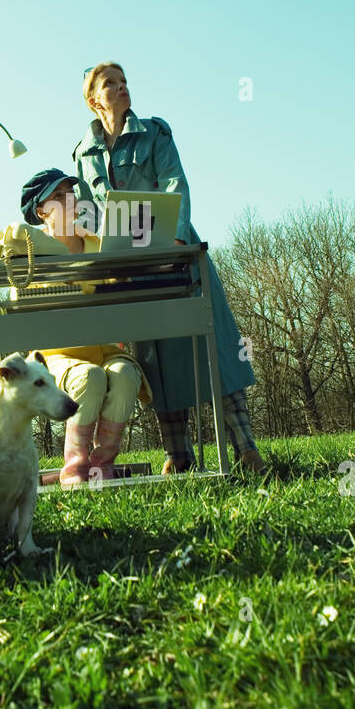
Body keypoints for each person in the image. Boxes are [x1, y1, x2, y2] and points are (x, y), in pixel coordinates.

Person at [71, 61, 265, 475]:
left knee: (212, 345)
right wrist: (101, 260)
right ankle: (178, 455)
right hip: (128, 266)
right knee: (154, 356)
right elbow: (87, 213)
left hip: (176, 252)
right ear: (93, 100)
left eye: (124, 81)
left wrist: (175, 237)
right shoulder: (82, 154)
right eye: (111, 84)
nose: (122, 88)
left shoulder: (156, 132)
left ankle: (247, 449)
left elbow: (175, 181)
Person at [0, 168, 152, 487]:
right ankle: (75, 468)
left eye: (71, 194)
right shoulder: (29, 255)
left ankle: (102, 466)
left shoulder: (102, 245)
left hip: (103, 349)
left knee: (126, 375)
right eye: (58, 197)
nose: (69, 201)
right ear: (40, 210)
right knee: (90, 377)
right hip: (56, 354)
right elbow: (25, 313)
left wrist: (120, 282)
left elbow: (120, 302)